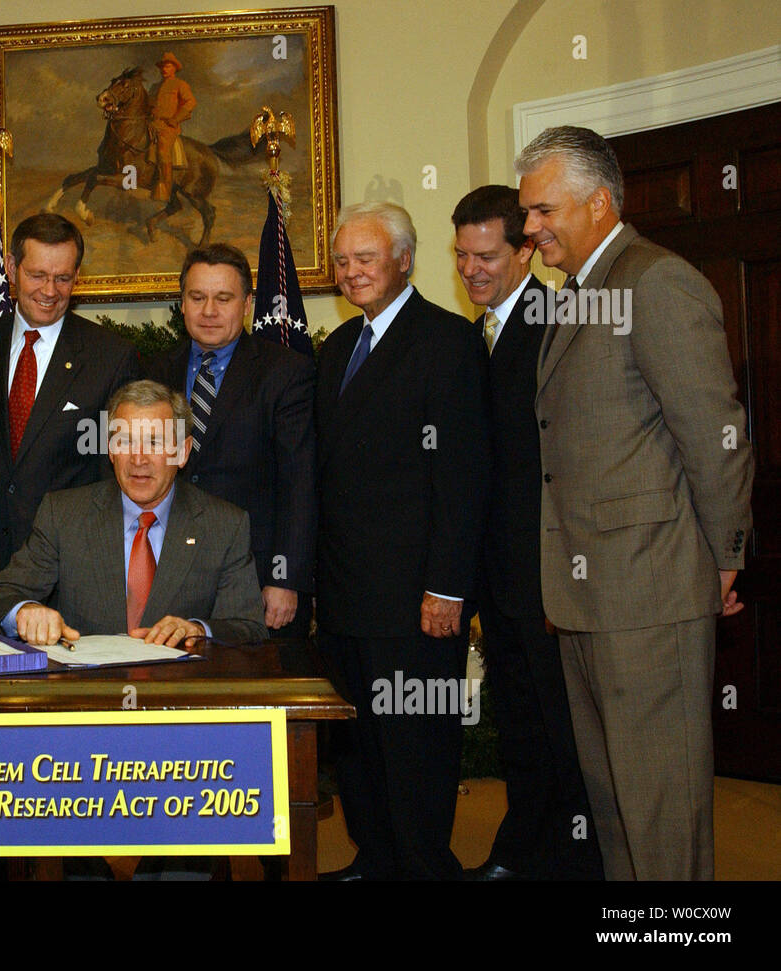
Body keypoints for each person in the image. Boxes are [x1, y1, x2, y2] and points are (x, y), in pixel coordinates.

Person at [516, 125, 754, 880]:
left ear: (599, 201)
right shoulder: (578, 293)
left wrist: (723, 559)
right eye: (528, 213)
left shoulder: (656, 282)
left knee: (661, 810)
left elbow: (715, 435)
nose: (531, 228)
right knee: (616, 806)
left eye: (544, 210)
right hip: (587, 595)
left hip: (651, 593)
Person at [315, 201, 490, 880]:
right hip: (346, 597)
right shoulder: (336, 350)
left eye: (366, 258)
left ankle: (422, 865)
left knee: (415, 746)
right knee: (359, 746)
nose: (352, 271)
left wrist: (447, 584)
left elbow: (464, 472)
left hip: (417, 601)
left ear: (404, 260)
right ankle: (376, 857)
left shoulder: (446, 341)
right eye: (343, 260)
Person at [451, 185, 602, 881]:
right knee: (520, 727)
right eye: (461, 256)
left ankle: (574, 863)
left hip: (549, 579)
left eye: (486, 255)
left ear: (524, 251)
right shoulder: (476, 333)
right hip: (501, 581)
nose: (471, 270)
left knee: (565, 736)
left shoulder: (558, 322)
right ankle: (525, 850)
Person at [0, 379, 267, 647]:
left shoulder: (225, 525)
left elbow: (249, 629)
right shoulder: (63, 515)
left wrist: (199, 630)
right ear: (111, 450)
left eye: (154, 442)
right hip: (88, 693)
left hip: (178, 694)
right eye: (125, 442)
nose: (138, 459)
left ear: (182, 451)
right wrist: (25, 611)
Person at [146, 243, 315, 638]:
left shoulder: (286, 373)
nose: (209, 311)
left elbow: (299, 483)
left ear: (247, 303)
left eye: (223, 298)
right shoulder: (153, 371)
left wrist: (285, 578)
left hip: (253, 578)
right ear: (182, 302)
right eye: (197, 297)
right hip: (165, 572)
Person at [0, 212, 139, 573]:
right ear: (11, 268)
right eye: (37, 275)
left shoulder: (111, 358)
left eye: (62, 278)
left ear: (77, 277)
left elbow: (114, 475)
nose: (49, 291)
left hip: (73, 569)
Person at [149, 52, 196, 202]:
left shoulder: (180, 84)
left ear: (174, 68)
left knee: (163, 152)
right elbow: (148, 105)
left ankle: (165, 188)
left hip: (168, 127)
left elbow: (190, 102)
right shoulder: (154, 87)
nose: (164, 69)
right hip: (152, 123)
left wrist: (176, 119)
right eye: (162, 66)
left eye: (168, 66)